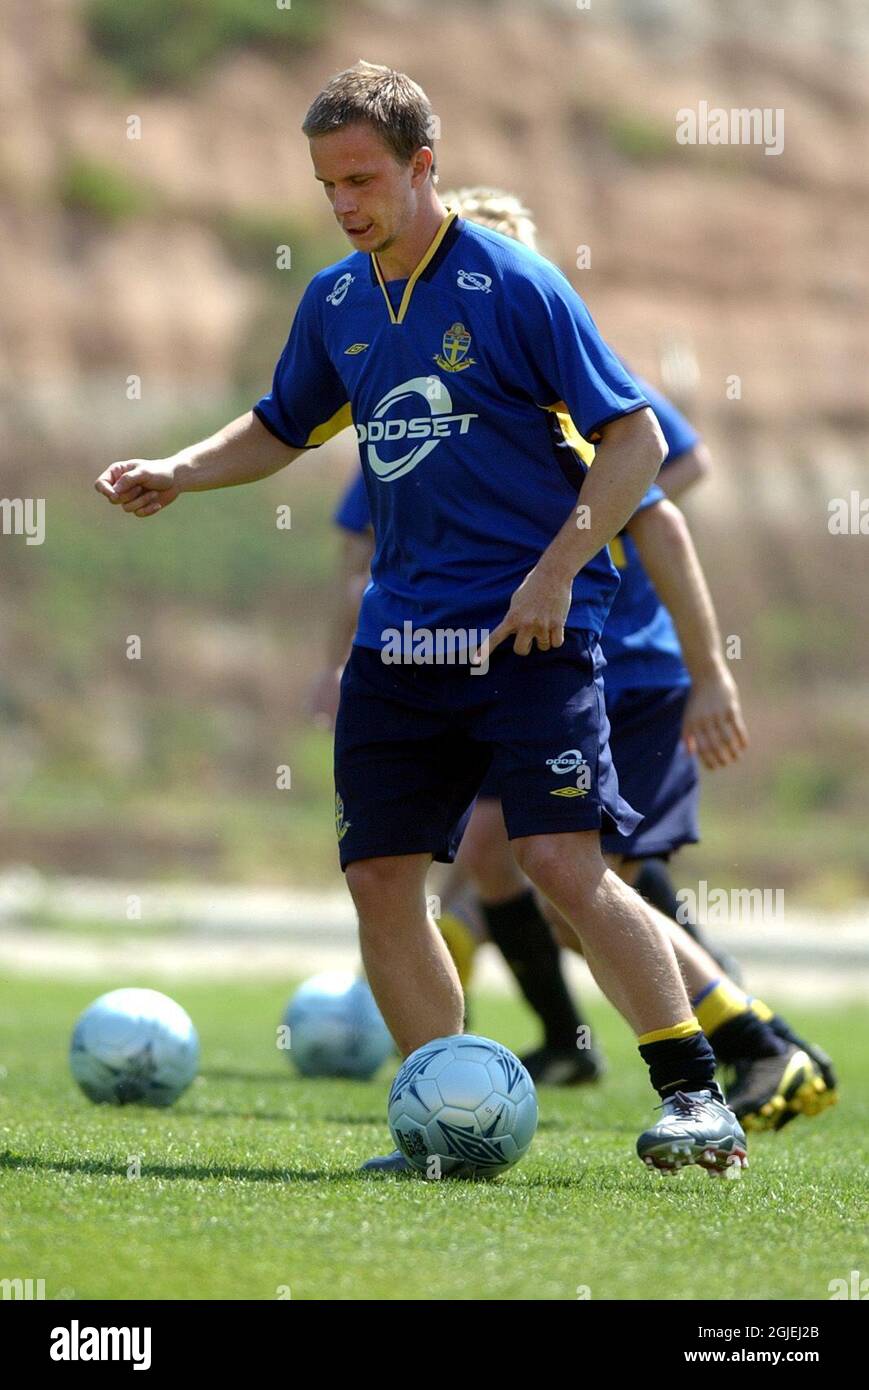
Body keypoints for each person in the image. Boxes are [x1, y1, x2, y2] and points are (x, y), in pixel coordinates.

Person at [95, 62, 747, 1176]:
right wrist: (179, 468)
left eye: (361, 180)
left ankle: (697, 1098)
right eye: (325, 186)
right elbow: (278, 426)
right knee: (379, 875)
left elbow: (634, 441)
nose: (343, 206)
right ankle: (447, 1117)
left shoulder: (515, 284)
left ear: (421, 166)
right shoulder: (338, 301)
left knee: (557, 857)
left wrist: (552, 573)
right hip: (400, 641)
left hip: (529, 636)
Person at [321, 187, 837, 1132]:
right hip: (465, 660)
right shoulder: (410, 392)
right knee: (512, 864)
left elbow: (663, 490)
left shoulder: (560, 385)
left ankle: (749, 1048)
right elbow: (355, 547)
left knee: (585, 873)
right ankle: (561, 1049)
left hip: (606, 665)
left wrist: (694, 661)